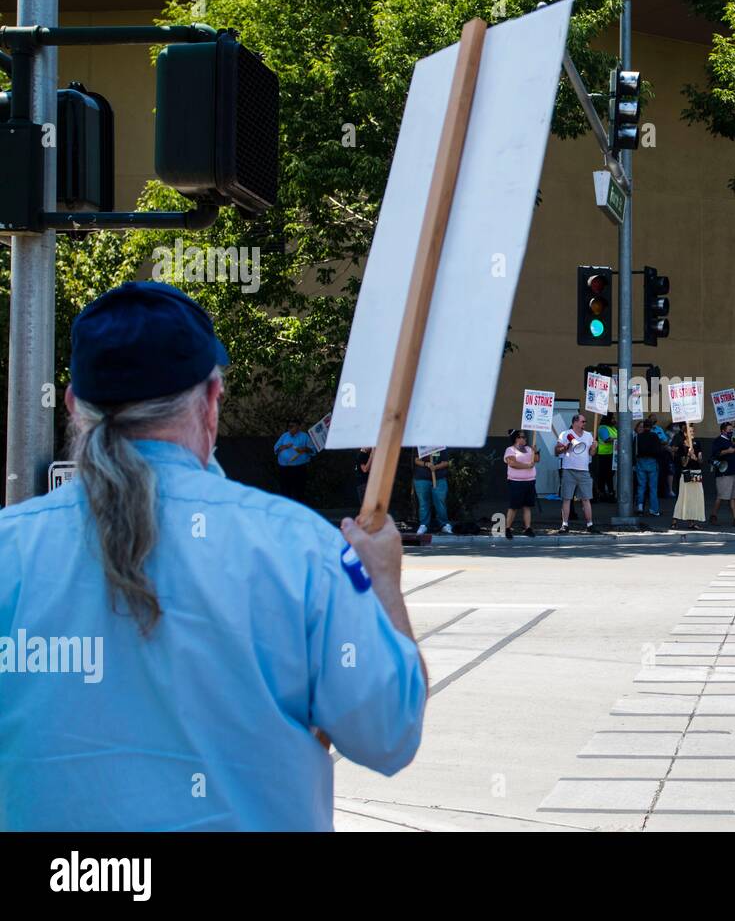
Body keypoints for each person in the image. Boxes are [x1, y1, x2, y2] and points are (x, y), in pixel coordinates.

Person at [0, 281, 426, 830]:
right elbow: (389, 733)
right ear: (211, 401)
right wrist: (383, 582)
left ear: (73, 405)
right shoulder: (298, 548)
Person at [555, 414, 598, 533]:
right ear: (575, 422)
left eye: (585, 421)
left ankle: (590, 525)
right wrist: (564, 448)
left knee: (586, 498)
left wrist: (594, 447)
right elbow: (556, 451)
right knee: (567, 498)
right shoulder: (565, 434)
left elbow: (591, 454)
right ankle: (564, 524)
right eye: (583, 421)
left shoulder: (588, 435)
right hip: (569, 470)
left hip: (584, 471)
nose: (585, 423)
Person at [502, 429, 539, 539]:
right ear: (515, 439)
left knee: (527, 506)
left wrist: (535, 451)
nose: (523, 439)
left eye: (524, 437)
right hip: (516, 482)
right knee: (514, 506)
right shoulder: (510, 450)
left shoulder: (529, 449)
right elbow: (512, 463)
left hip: (529, 481)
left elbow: (536, 459)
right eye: (520, 437)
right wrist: (527, 466)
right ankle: (507, 528)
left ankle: (528, 528)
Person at [710, 421, 735, 526]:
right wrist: (727, 451)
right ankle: (713, 515)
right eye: (729, 430)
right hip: (724, 474)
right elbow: (714, 455)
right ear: (723, 431)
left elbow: (732, 456)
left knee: (733, 497)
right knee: (721, 496)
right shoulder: (718, 441)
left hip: (733, 472)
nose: (731, 432)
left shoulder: (732, 441)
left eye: (731, 430)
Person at [412, 447, 453, 535]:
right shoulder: (420, 444)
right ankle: (424, 525)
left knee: (440, 501)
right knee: (423, 503)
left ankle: (444, 525)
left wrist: (436, 467)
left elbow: (446, 462)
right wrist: (427, 464)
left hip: (439, 479)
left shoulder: (441, 445)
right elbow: (416, 460)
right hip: (421, 478)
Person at [671, 428, 706, 530]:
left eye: (693, 431)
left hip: (696, 473)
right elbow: (684, 463)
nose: (693, 433)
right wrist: (688, 454)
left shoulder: (697, 443)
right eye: (690, 432)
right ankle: (674, 520)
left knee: (696, 498)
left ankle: (692, 522)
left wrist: (696, 457)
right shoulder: (682, 446)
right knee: (683, 497)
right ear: (685, 433)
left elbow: (701, 460)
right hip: (686, 474)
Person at [274, 419, 315, 503]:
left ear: (298, 427)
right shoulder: (284, 436)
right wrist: (284, 446)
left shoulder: (304, 436)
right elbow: (276, 449)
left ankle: (299, 511)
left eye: (292, 426)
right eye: (289, 426)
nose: (290, 428)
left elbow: (313, 450)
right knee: (285, 491)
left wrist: (305, 449)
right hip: (284, 468)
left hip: (299, 468)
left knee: (299, 491)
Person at [634, 419, 662, 516]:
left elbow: (634, 450)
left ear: (644, 426)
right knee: (653, 487)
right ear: (651, 427)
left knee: (641, 486)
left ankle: (640, 508)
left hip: (640, 462)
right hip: (652, 462)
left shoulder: (638, 437)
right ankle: (653, 510)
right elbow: (659, 450)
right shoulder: (654, 436)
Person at [595, 418, 617, 501]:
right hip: (603, 455)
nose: (614, 420)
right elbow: (606, 439)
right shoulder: (603, 428)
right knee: (604, 475)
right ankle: (603, 493)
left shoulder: (613, 428)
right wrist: (618, 439)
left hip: (611, 454)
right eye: (612, 418)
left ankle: (609, 492)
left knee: (610, 475)